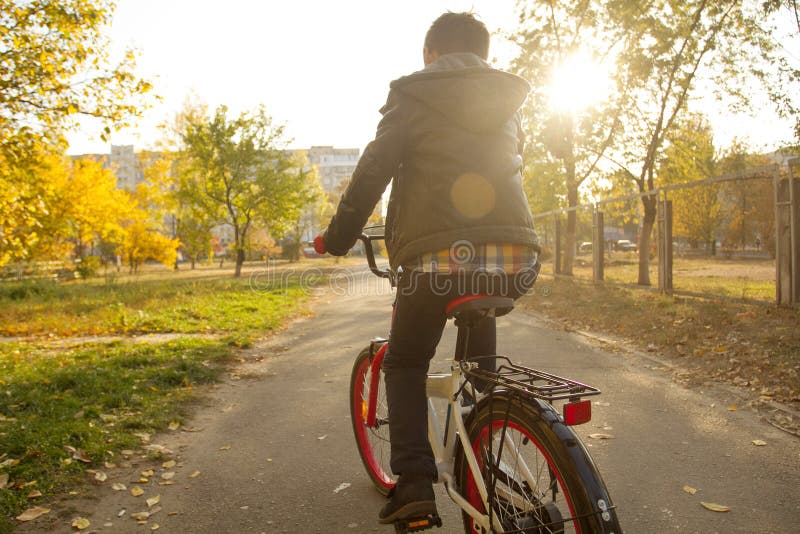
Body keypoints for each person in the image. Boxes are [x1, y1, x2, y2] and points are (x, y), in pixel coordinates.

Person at [314, 12, 540, 524]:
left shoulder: (414, 94)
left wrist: (338, 238)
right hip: (516, 256)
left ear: (429, 54)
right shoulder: (509, 102)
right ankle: (478, 438)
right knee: (476, 348)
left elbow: (374, 171)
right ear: (484, 54)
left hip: (435, 258)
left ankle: (414, 483)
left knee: (406, 360)